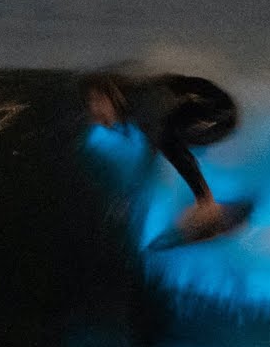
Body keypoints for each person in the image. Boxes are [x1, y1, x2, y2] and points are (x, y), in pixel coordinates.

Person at [81, 70, 240, 241]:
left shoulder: (141, 102)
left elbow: (166, 146)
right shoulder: (136, 102)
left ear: (110, 95)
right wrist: (132, 195)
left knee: (168, 140)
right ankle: (207, 200)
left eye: (96, 101)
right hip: (207, 111)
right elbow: (153, 151)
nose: (93, 110)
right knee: (167, 139)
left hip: (219, 113)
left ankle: (207, 205)